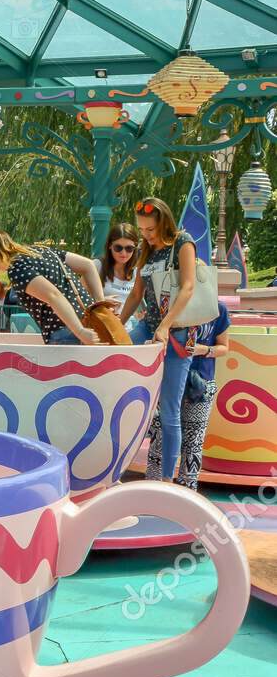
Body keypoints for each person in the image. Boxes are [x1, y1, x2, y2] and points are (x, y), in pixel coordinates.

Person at [120, 197, 203, 483]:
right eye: (143, 230)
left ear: (164, 223)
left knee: (169, 409)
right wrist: (115, 326)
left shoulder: (183, 242)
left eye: (151, 230)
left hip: (178, 332)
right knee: (117, 358)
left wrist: (166, 327)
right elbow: (135, 295)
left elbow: (189, 287)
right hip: (149, 326)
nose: (146, 235)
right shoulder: (146, 250)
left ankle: (168, 480)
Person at [0, 231, 112, 346]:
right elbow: (88, 265)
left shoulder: (18, 269)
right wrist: (100, 305)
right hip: (90, 321)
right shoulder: (41, 251)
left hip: (66, 332)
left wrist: (80, 331)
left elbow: (53, 296)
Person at [146, 300, 230, 490]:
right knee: (160, 436)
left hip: (200, 383)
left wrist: (204, 350)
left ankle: (186, 491)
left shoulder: (218, 309)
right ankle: (154, 488)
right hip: (169, 380)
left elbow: (224, 347)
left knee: (193, 442)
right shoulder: (173, 305)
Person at [100, 222, 138, 311]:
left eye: (129, 248)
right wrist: (100, 301)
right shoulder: (97, 266)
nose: (123, 253)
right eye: (118, 248)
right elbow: (78, 296)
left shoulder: (137, 272)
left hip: (129, 324)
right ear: (110, 245)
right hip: (102, 322)